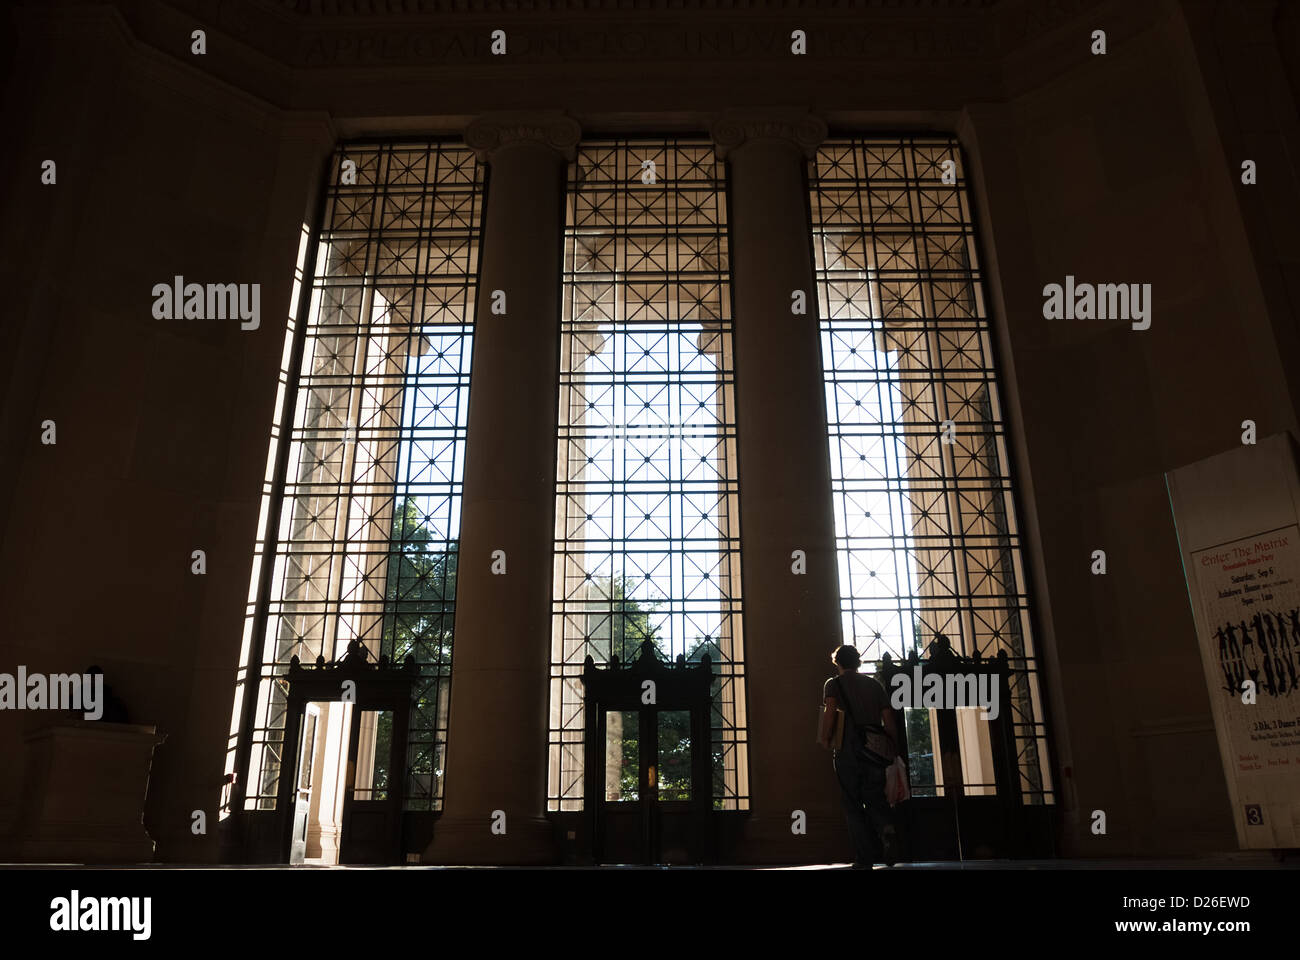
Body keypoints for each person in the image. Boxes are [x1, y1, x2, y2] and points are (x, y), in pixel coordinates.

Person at [817, 644, 899, 868]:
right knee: (875, 796)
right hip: (874, 750)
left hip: (847, 749)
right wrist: (892, 745)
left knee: (852, 802)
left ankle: (865, 858)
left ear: (838, 663)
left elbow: (830, 712)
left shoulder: (833, 685)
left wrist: (825, 738)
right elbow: (888, 718)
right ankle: (886, 829)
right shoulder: (874, 685)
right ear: (858, 662)